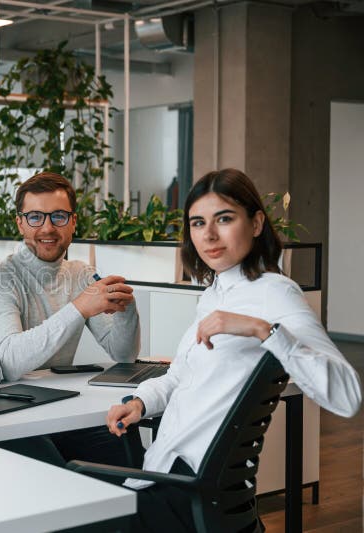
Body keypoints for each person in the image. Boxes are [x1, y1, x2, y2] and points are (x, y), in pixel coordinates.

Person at [104, 168, 362, 532]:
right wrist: (140, 402)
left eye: (224, 219)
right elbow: (181, 374)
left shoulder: (275, 293)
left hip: (187, 490)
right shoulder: (214, 294)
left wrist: (263, 330)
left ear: (256, 223)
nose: (208, 234)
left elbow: (347, 397)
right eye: (197, 223)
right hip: (168, 477)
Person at [0, 172, 140, 465]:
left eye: (58, 217)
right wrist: (79, 307)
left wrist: (126, 309)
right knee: (64, 474)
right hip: (12, 418)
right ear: (20, 223)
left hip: (61, 410)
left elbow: (124, 355)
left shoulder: (79, 273)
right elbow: (9, 360)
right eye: (35, 217)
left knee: (129, 452)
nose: (48, 228)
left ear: (73, 222)